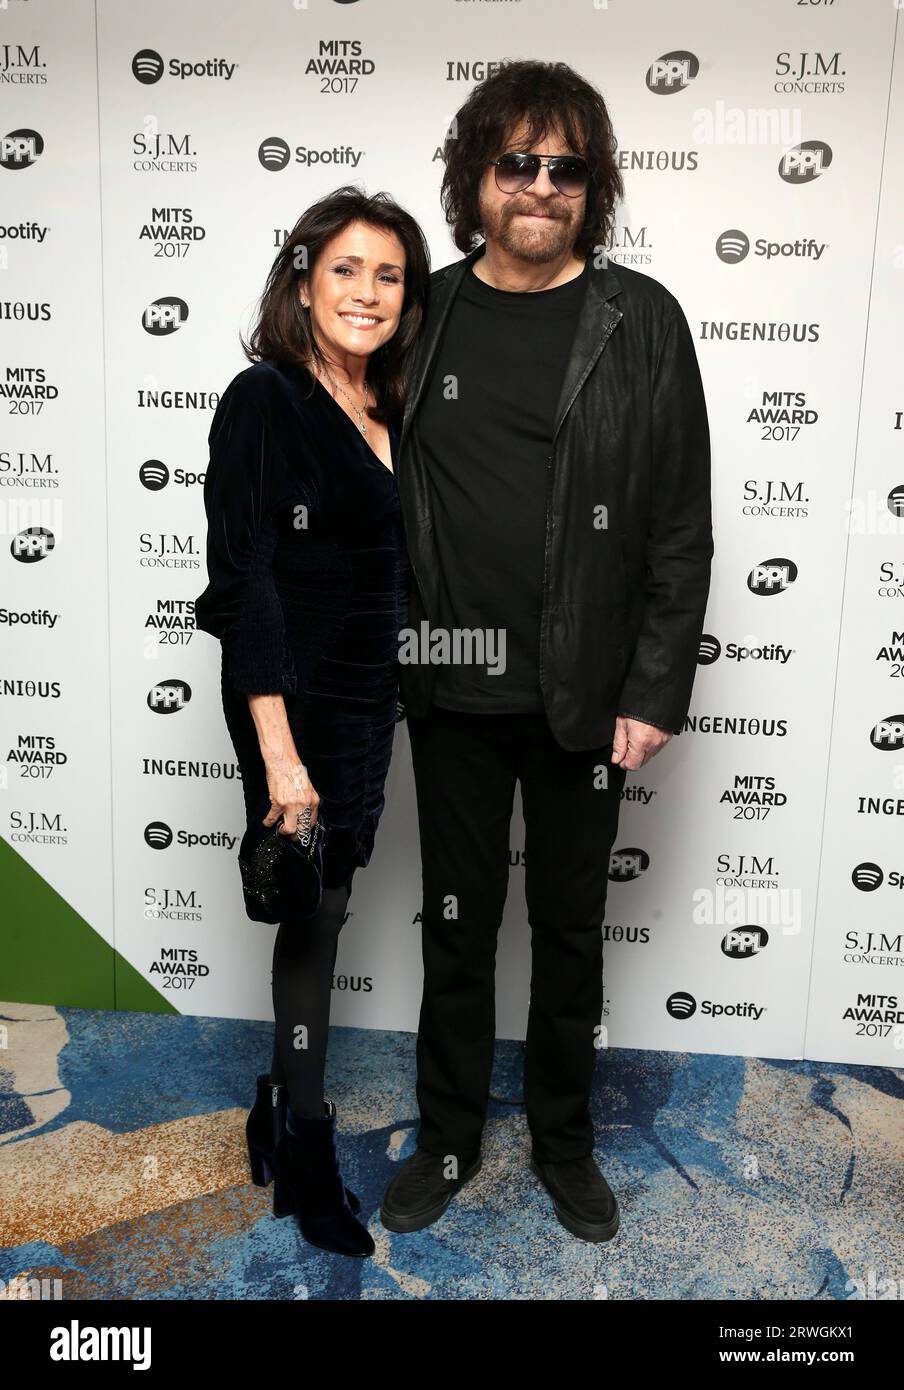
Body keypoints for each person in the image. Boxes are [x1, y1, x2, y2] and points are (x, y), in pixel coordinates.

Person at [381, 60, 713, 1243]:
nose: (540, 186)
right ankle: (452, 1136)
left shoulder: (643, 320)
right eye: (516, 161)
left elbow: (677, 525)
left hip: (586, 696)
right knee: (458, 928)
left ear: (595, 188)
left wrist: (653, 689)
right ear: (474, 175)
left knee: (571, 935)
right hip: (451, 684)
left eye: (566, 167)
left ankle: (563, 1144)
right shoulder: (420, 313)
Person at [194, 186, 429, 1258]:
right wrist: (280, 755)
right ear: (302, 278)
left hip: (368, 702)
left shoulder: (397, 407)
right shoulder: (266, 400)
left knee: (325, 911)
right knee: (315, 919)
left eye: (387, 274)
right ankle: (306, 1140)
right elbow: (242, 582)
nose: (366, 292)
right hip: (290, 705)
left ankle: (274, 1099)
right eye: (345, 268)